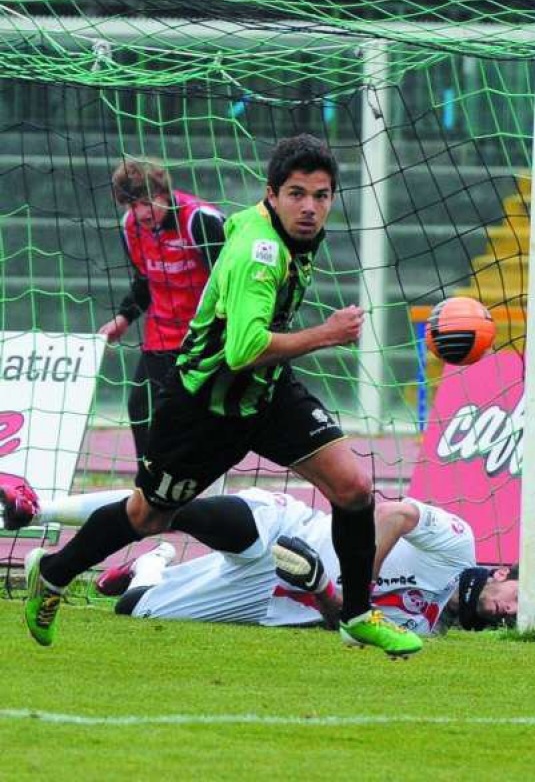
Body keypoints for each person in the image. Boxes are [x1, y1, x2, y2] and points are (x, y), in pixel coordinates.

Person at [22, 134, 423, 657]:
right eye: (297, 194)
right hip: (204, 406)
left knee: (353, 487)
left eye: (320, 196)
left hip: (266, 392)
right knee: (149, 517)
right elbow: (244, 348)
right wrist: (327, 333)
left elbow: (234, 237)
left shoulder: (273, 229)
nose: (309, 207)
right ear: (272, 193)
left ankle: (355, 615)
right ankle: (51, 574)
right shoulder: (259, 253)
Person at [2, 481, 514, 632]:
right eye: (521, 598)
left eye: (514, 618)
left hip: (265, 602)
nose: (512, 611)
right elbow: (394, 514)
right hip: (284, 529)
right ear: (505, 572)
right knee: (173, 508)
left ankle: (148, 565)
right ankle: (35, 508)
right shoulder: (458, 546)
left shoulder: (422, 633)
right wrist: (360, 584)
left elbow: (338, 624)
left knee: (132, 608)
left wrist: (324, 590)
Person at [99, 159, 225, 459]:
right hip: (162, 334)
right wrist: (124, 317)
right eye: (132, 206)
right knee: (140, 407)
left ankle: (199, 486)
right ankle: (150, 486)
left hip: (205, 336)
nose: (141, 213)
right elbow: (144, 281)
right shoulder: (131, 227)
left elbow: (229, 285)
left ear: (163, 194)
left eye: (146, 203)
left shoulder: (199, 220)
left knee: (198, 417)